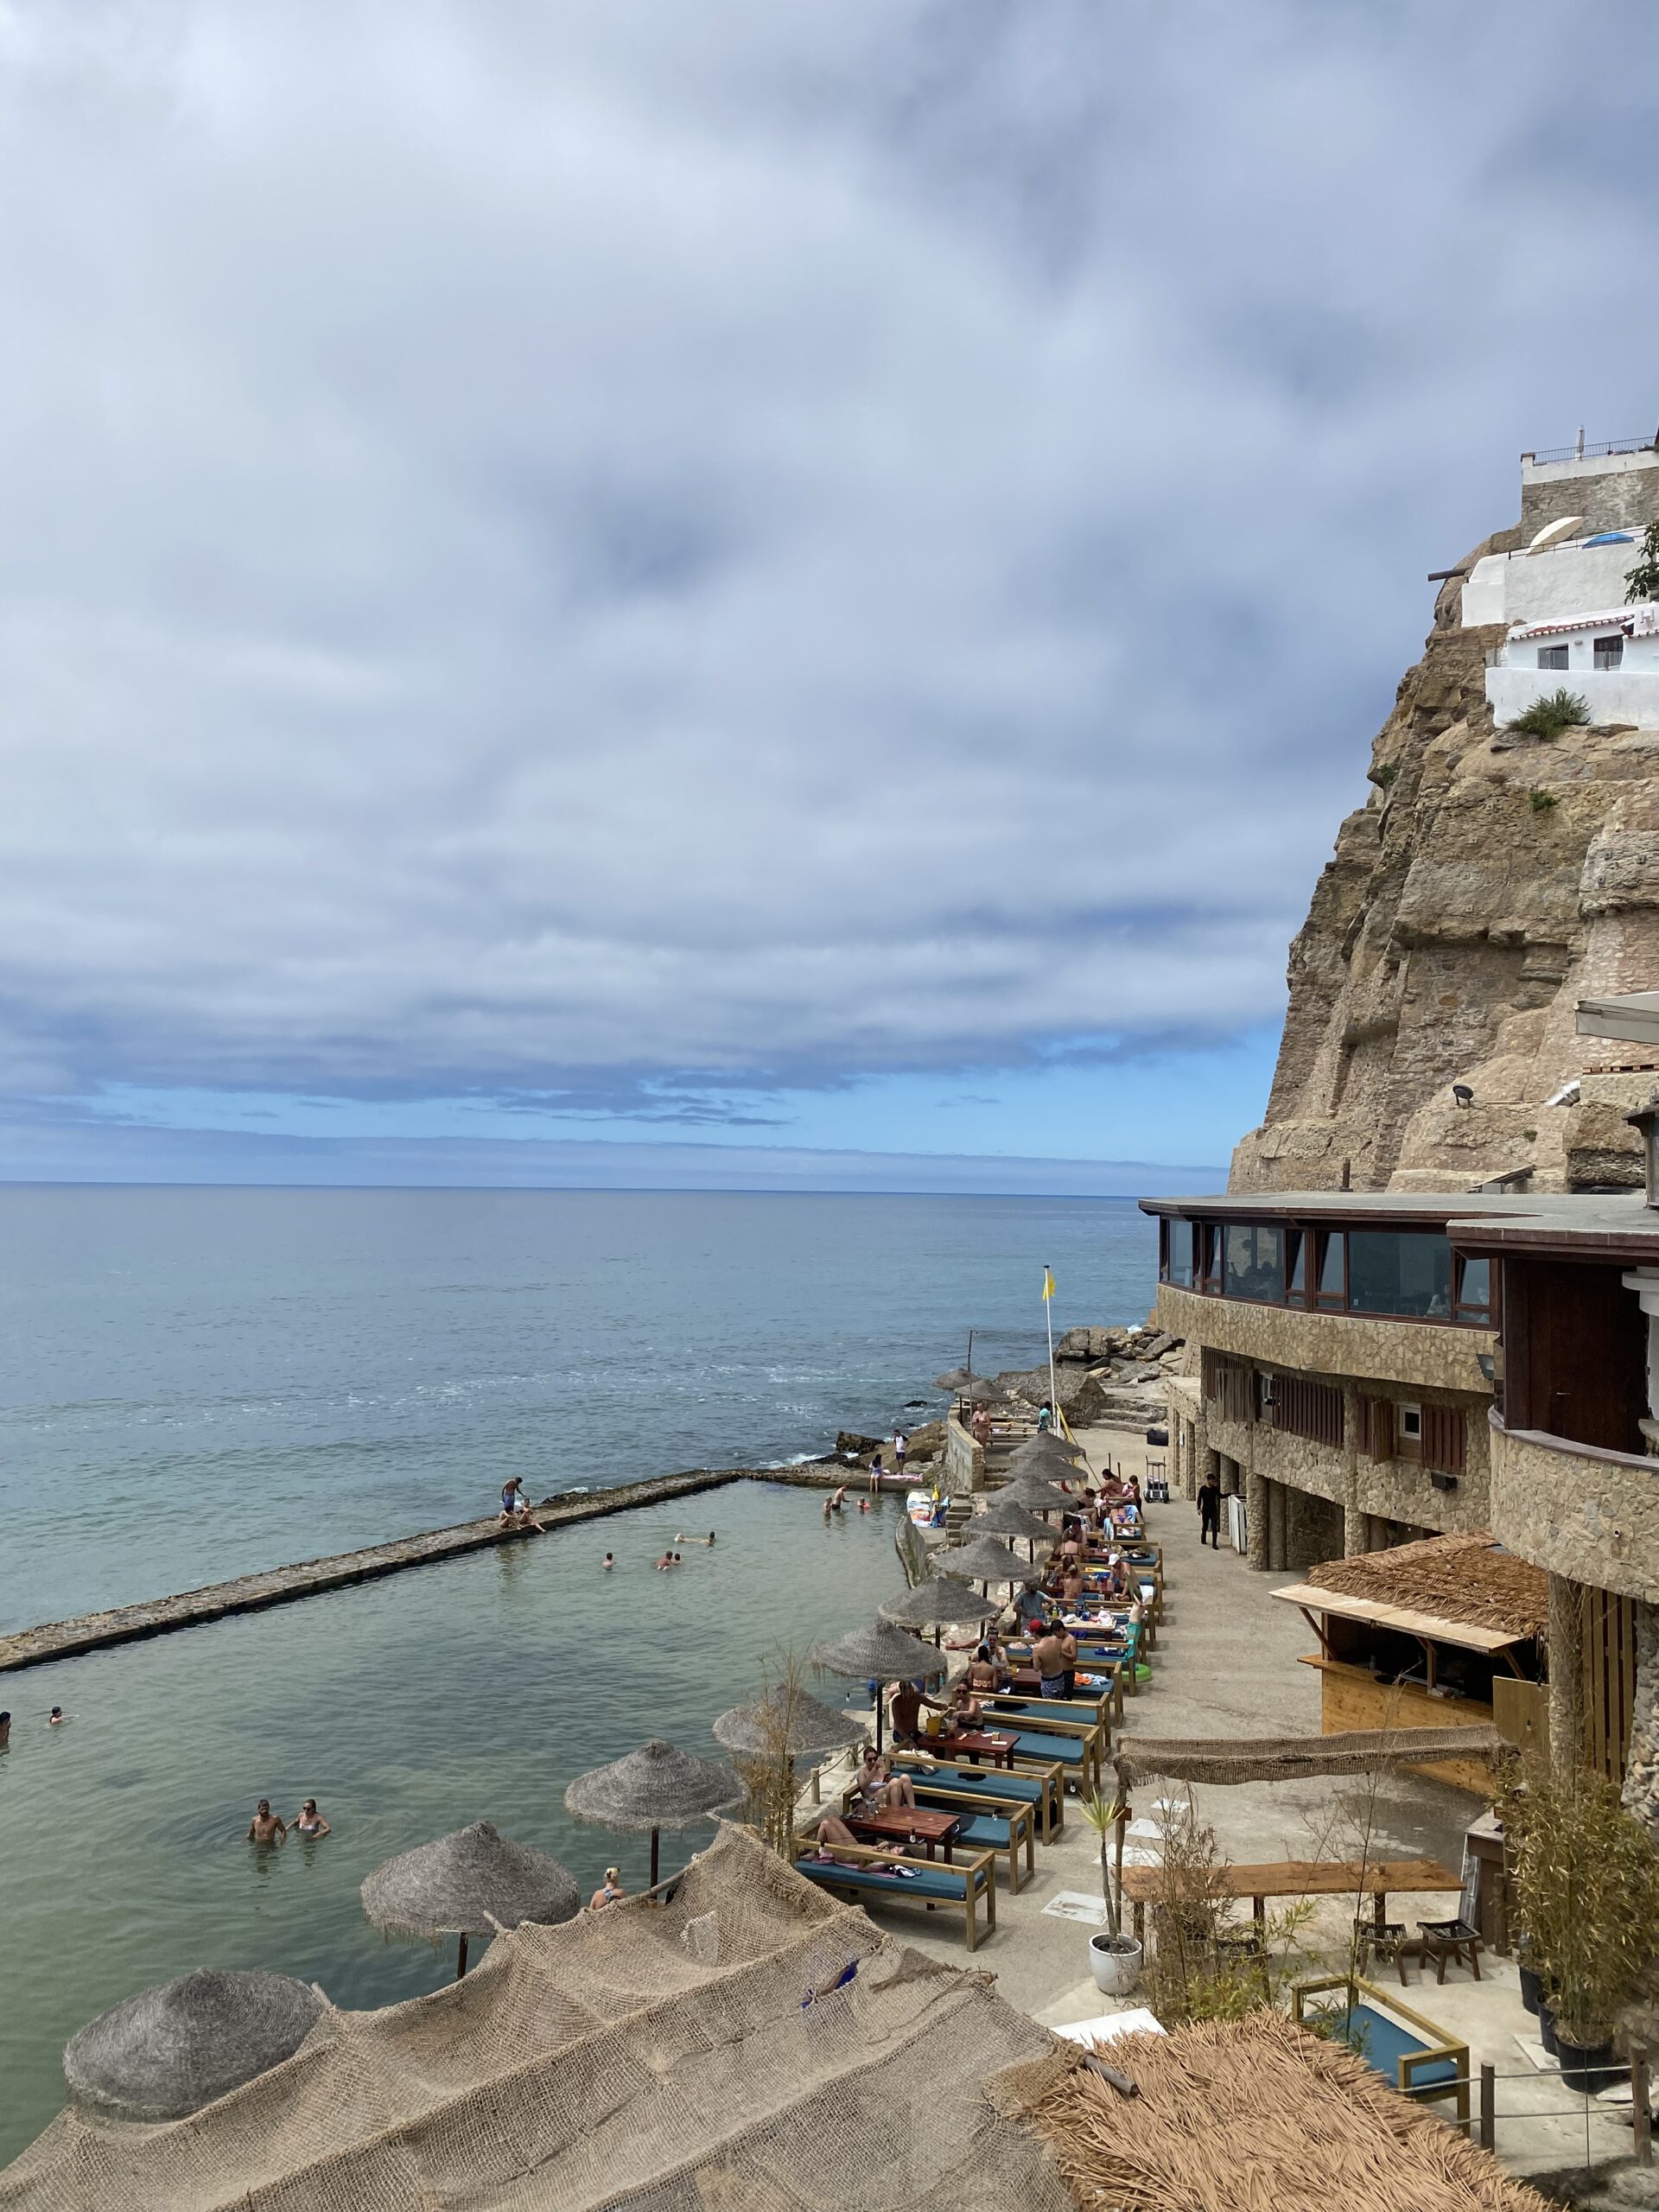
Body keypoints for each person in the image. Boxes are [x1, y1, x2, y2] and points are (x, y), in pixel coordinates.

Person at [851, 1746, 916, 1814]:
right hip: (874, 1802)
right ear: (865, 1760)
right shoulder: (862, 1772)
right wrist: (874, 1769)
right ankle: (896, 1813)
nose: (873, 1761)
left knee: (905, 1778)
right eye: (870, 1760)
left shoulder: (881, 1769)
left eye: (875, 1759)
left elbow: (887, 1783)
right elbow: (863, 1787)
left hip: (886, 1797)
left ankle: (913, 1810)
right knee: (895, 1781)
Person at [888, 1679, 947, 1746]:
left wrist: (943, 1706)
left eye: (910, 1690)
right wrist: (909, 1740)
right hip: (901, 1734)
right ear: (902, 1691)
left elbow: (934, 1705)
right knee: (910, 1748)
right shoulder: (897, 1702)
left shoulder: (917, 1698)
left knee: (930, 1744)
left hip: (914, 1732)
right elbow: (898, 1726)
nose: (909, 1695)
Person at [1033, 1625, 1070, 1700]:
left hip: (1048, 1680)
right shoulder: (1056, 1639)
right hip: (1060, 1676)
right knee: (1060, 1700)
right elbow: (1060, 1655)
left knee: (1049, 1704)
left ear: (1034, 1633)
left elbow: (1036, 1668)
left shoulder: (1037, 1649)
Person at [1198, 1471, 1223, 1548]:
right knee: (1205, 1526)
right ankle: (1203, 1537)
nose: (1213, 1483)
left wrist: (1230, 1494)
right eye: (1212, 1481)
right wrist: (1198, 1508)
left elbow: (1221, 1496)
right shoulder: (1203, 1489)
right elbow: (1199, 1498)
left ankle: (1214, 1544)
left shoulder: (1215, 1489)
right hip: (1205, 1510)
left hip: (1213, 1510)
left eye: (1214, 1481)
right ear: (1208, 1480)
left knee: (1214, 1527)